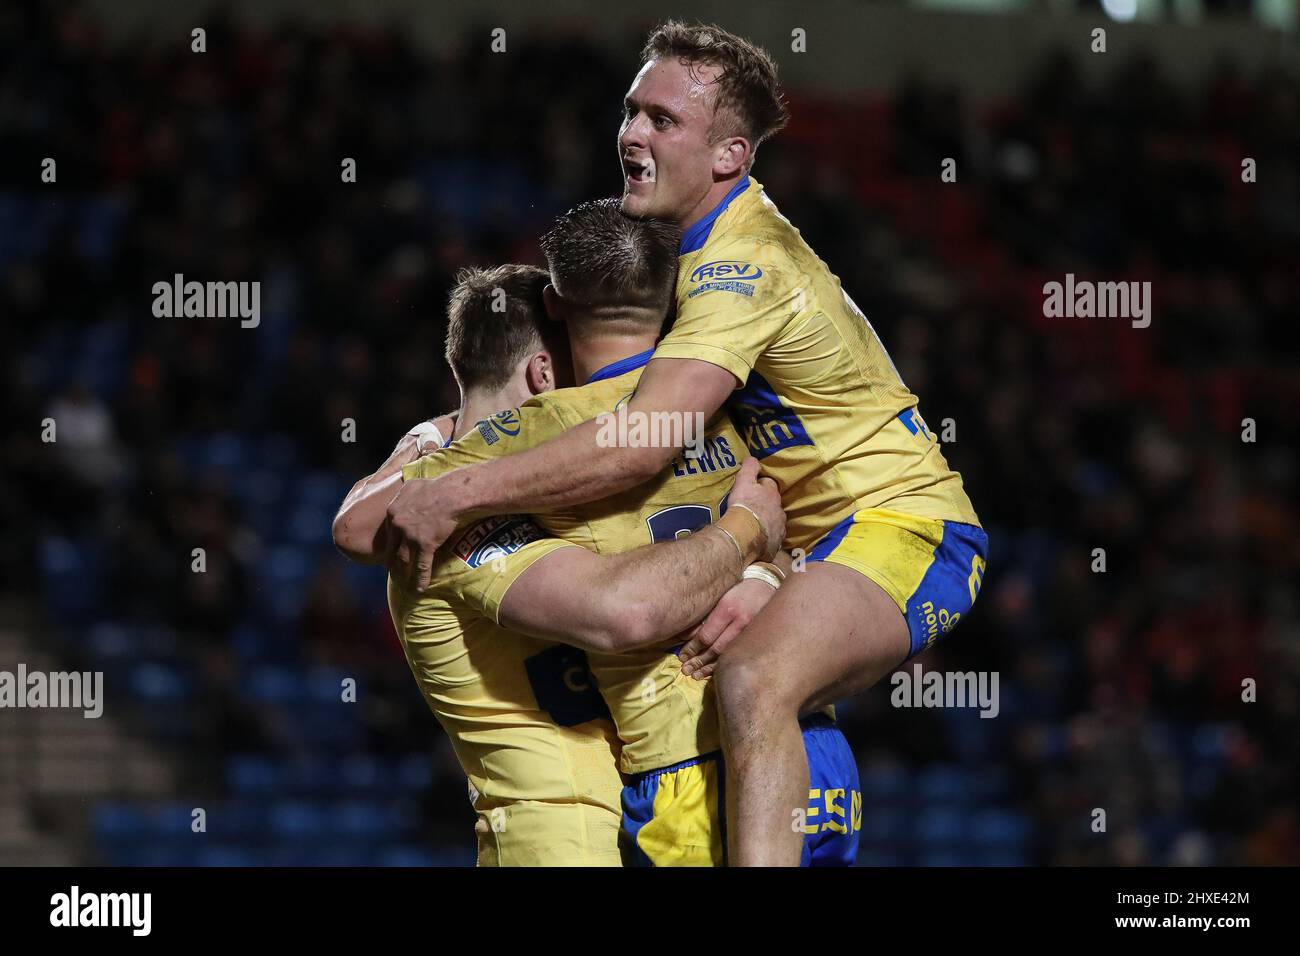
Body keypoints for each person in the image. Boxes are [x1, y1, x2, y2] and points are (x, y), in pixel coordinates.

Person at [381, 22, 987, 866]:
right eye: (631, 112)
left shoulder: (743, 268)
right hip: (824, 554)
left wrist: (454, 489)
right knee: (755, 680)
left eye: (662, 120)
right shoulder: (698, 258)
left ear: (730, 155)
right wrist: (768, 564)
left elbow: (640, 442)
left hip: (906, 526)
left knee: (753, 678)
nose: (631, 134)